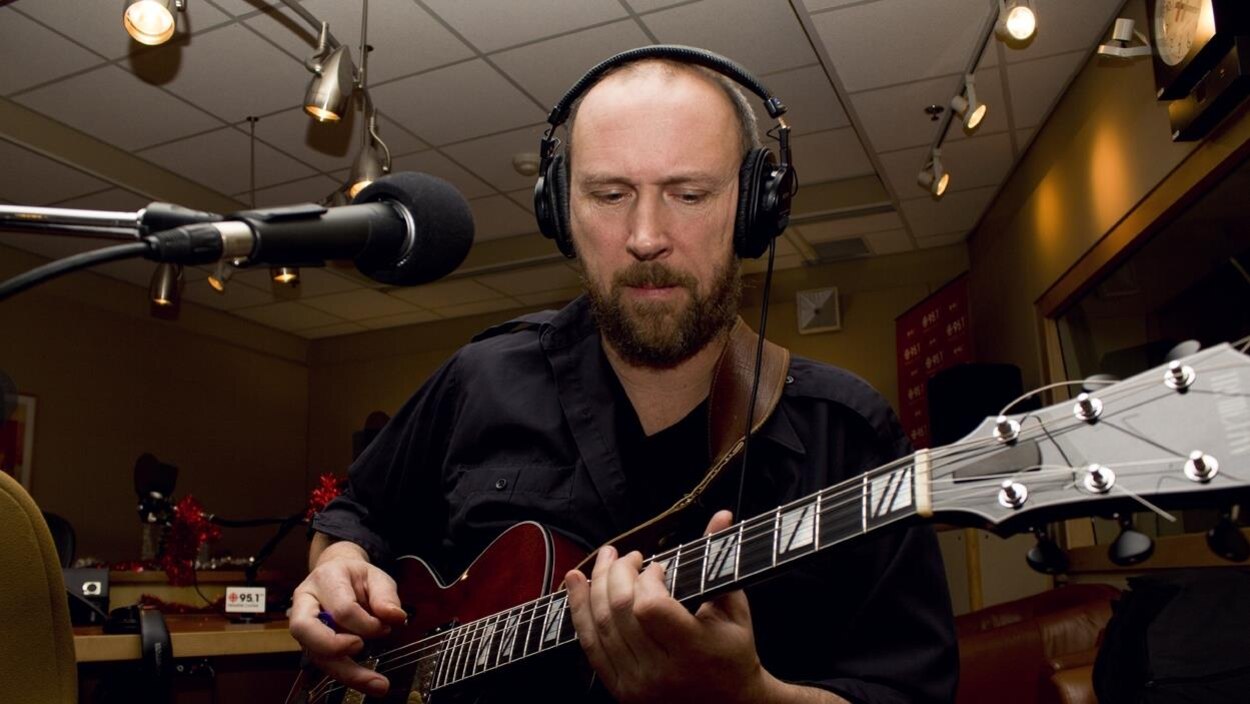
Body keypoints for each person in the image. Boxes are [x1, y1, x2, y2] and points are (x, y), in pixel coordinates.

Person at [289, 49, 958, 704]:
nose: (644, 235)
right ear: (559, 210)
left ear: (756, 209)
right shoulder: (480, 376)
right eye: (609, 195)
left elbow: (910, 688)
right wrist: (333, 565)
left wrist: (749, 697)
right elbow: (357, 512)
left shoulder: (846, 433)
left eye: (689, 194)